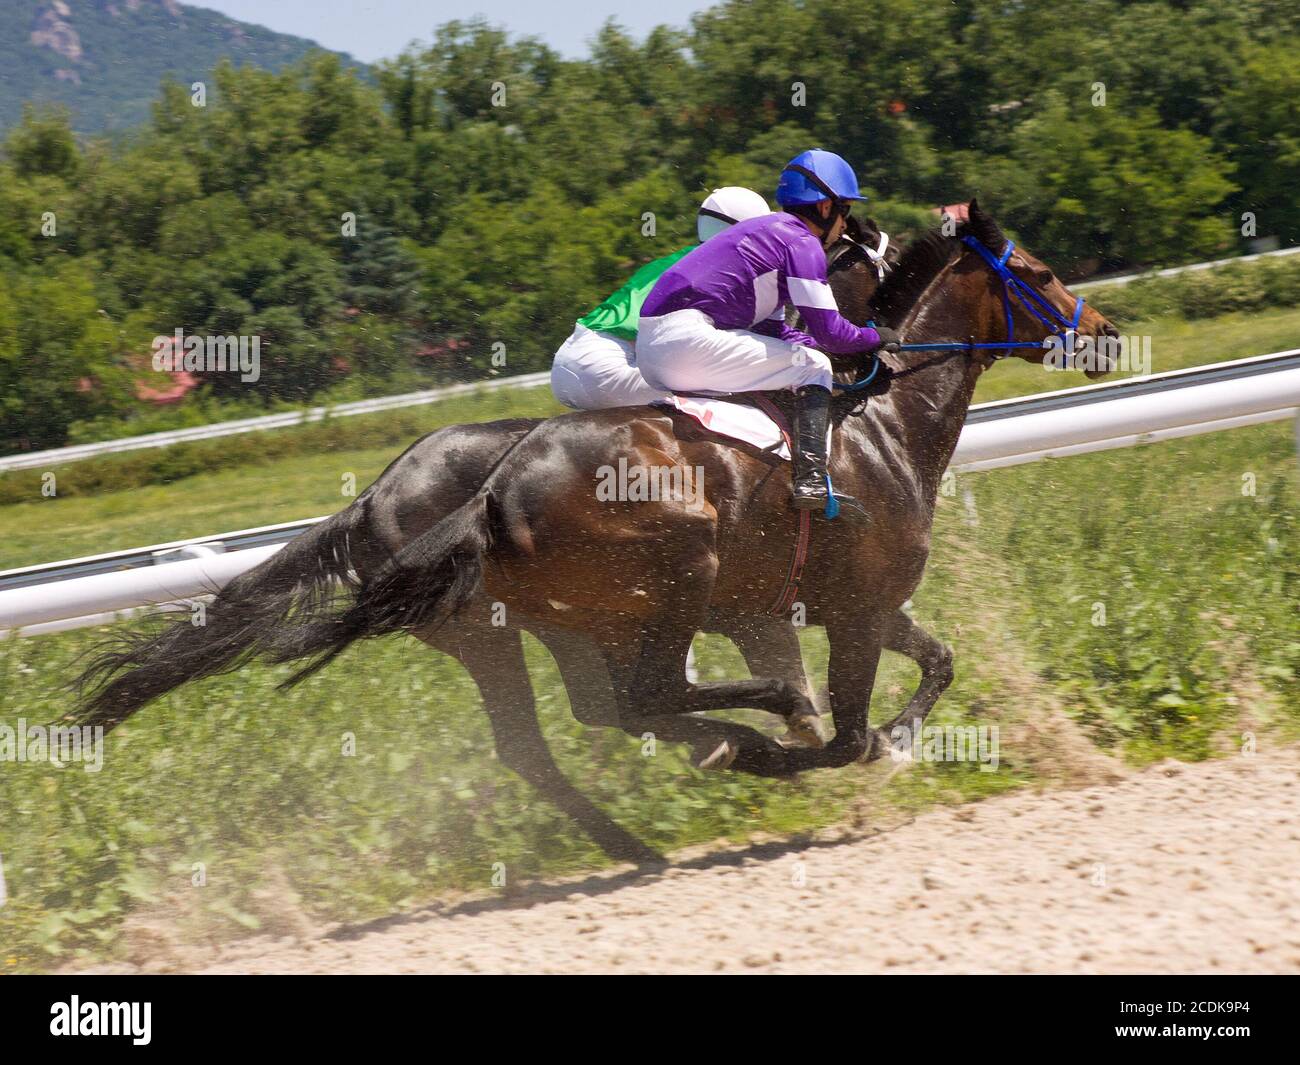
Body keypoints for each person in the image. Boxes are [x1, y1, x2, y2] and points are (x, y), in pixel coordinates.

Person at [636, 150, 900, 512]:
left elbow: (776, 331)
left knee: (804, 360)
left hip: (656, 351)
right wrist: (876, 337)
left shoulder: (768, 235)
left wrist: (821, 347)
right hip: (685, 344)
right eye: (845, 211)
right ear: (825, 207)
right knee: (814, 367)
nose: (844, 225)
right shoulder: (801, 243)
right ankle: (810, 481)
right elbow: (832, 334)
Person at [550, 187, 772, 411]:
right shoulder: (723, 271)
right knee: (736, 389)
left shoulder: (674, 259)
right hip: (609, 366)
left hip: (566, 363)